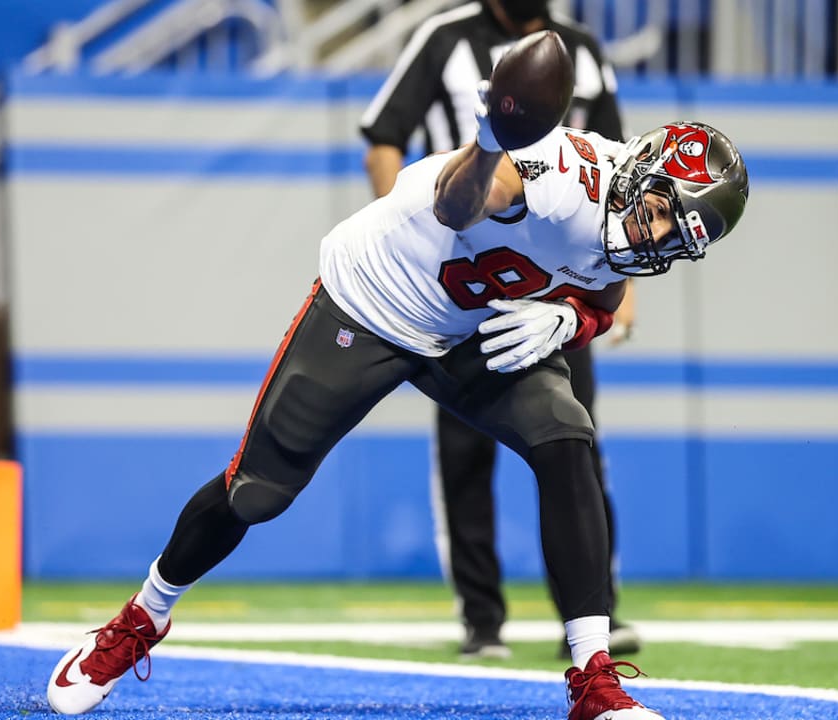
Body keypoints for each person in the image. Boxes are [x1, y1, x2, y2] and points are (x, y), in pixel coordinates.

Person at [45, 100, 749, 717]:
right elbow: (459, 205)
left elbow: (599, 296)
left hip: (467, 329)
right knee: (255, 493)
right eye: (657, 213)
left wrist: (571, 323)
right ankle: (142, 617)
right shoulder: (561, 177)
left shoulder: (628, 238)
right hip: (373, 303)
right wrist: (488, 146)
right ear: (640, 172)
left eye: (674, 239)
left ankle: (595, 684)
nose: (651, 238)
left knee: (566, 437)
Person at [359, 0, 639, 660]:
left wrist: (620, 293)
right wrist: (397, 235)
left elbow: (628, 182)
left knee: (574, 442)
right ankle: (482, 618)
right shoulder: (445, 38)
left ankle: (592, 611)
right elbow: (384, 136)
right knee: (465, 454)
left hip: (557, 288)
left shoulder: (582, 50)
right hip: (460, 280)